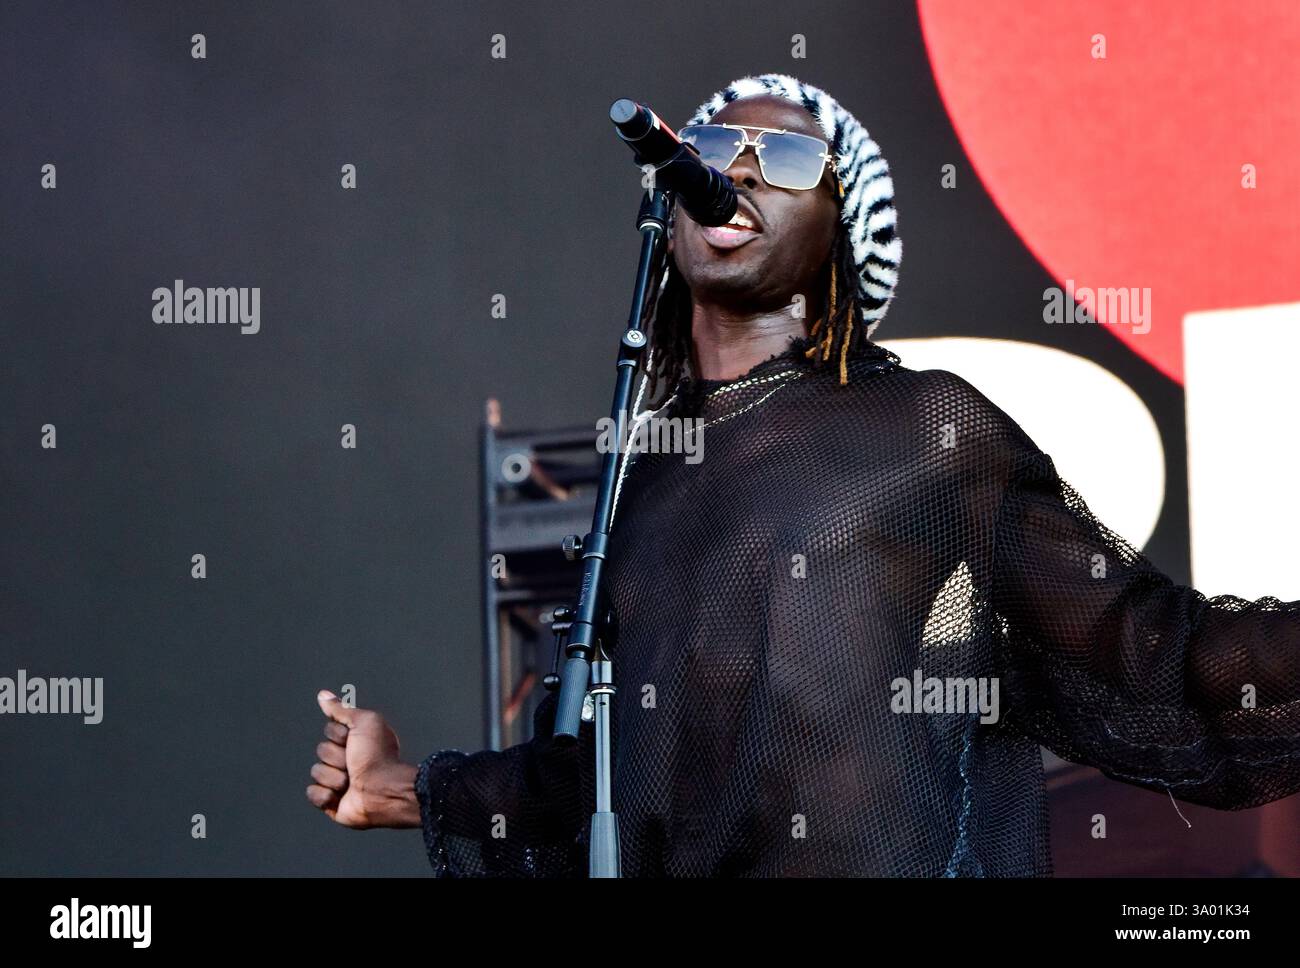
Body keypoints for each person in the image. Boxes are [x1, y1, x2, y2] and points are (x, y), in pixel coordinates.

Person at [305, 73, 1300, 876]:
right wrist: (399, 784)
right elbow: (608, 779)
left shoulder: (924, 425)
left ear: (841, 223)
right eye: (710, 146)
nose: (735, 168)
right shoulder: (641, 488)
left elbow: (1158, 651)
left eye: (782, 155)